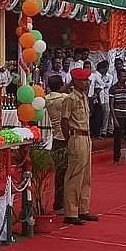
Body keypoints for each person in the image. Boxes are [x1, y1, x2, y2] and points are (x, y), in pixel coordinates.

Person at [61, 68, 98, 226]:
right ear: (76, 82)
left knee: (86, 176)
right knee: (74, 175)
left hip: (86, 136)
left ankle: (83, 208)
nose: (87, 83)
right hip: (76, 136)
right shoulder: (71, 98)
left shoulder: (83, 97)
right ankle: (71, 212)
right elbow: (64, 121)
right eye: (84, 80)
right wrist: (68, 139)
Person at [44, 75, 70, 211]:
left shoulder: (46, 99)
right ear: (61, 86)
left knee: (60, 172)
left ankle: (59, 202)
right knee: (65, 172)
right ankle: (61, 202)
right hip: (64, 137)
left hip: (55, 137)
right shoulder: (64, 98)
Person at [108, 68, 126, 165]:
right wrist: (114, 119)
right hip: (119, 116)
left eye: (125, 76)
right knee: (117, 139)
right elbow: (111, 104)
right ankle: (116, 159)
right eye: (122, 76)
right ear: (118, 77)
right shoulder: (113, 88)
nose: (124, 78)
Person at [89, 60, 111, 139]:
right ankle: (94, 133)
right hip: (96, 99)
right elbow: (101, 85)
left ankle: (102, 132)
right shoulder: (95, 75)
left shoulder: (109, 76)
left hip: (104, 98)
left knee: (103, 115)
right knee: (95, 116)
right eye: (105, 68)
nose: (106, 70)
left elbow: (106, 85)